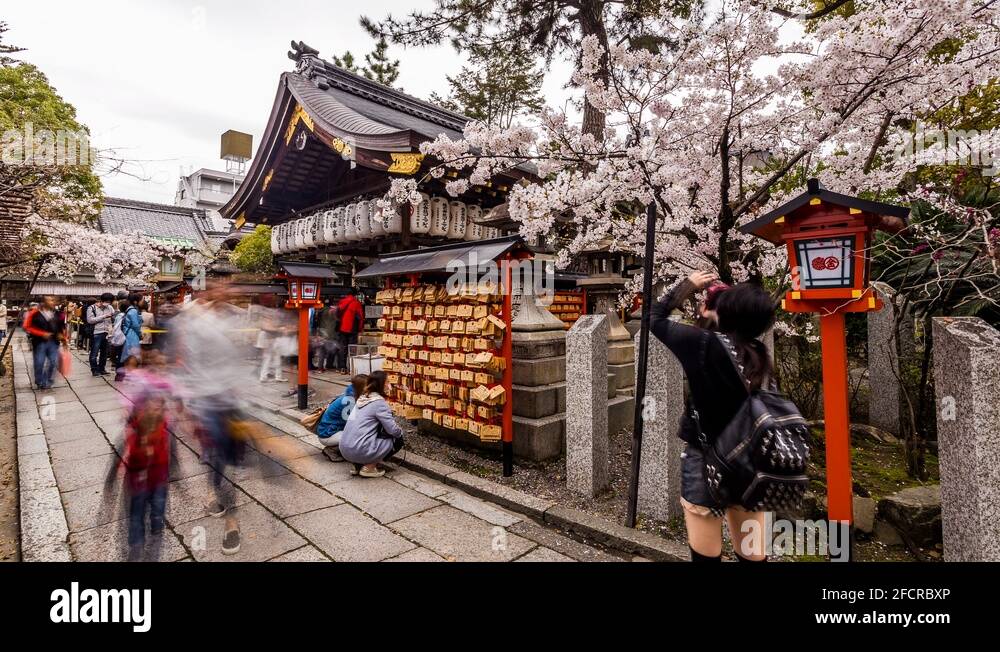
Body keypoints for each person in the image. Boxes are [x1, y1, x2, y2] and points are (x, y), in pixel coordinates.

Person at [650, 271, 775, 563]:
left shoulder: (703, 345)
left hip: (708, 460)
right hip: (751, 462)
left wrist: (687, 285)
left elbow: (652, 318)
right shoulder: (758, 353)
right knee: (752, 553)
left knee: (706, 554)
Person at [338, 371, 404, 478]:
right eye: (387, 382)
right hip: (358, 449)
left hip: (344, 448)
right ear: (381, 384)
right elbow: (392, 429)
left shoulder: (362, 399)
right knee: (397, 439)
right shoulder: (379, 403)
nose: (389, 385)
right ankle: (369, 467)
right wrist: (400, 432)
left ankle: (358, 465)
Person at [316, 375, 366, 457]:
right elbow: (351, 423)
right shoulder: (349, 401)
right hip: (328, 433)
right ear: (362, 387)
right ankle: (331, 450)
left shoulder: (351, 394)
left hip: (330, 430)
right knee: (359, 437)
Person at [23, 295, 66, 390]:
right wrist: (41, 333)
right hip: (39, 342)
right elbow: (27, 326)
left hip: (54, 342)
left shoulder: (59, 314)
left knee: (53, 362)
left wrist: (63, 337)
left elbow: (62, 327)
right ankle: (39, 381)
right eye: (50, 300)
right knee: (39, 362)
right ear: (44, 302)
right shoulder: (34, 313)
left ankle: (48, 380)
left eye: (54, 300)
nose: (53, 302)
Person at [86, 293, 116, 376]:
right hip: (96, 332)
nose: (108, 303)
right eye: (107, 301)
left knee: (104, 352)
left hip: (107, 332)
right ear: (102, 300)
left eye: (110, 302)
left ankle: (102, 369)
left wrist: (113, 317)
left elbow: (113, 317)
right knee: (94, 352)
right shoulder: (92, 308)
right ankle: (94, 370)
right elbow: (90, 320)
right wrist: (104, 316)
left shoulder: (110, 307)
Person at [334, 292, 364, 374]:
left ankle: (342, 368)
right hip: (352, 329)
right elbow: (361, 317)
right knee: (352, 349)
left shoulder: (342, 302)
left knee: (342, 348)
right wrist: (360, 329)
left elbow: (337, 315)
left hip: (342, 328)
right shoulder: (356, 303)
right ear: (354, 295)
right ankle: (352, 368)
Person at [315, 299, 340, 373]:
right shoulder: (333, 312)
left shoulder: (319, 312)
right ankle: (330, 365)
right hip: (331, 333)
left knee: (322, 350)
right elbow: (337, 321)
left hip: (321, 332)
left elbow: (317, 322)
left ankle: (320, 368)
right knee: (336, 349)